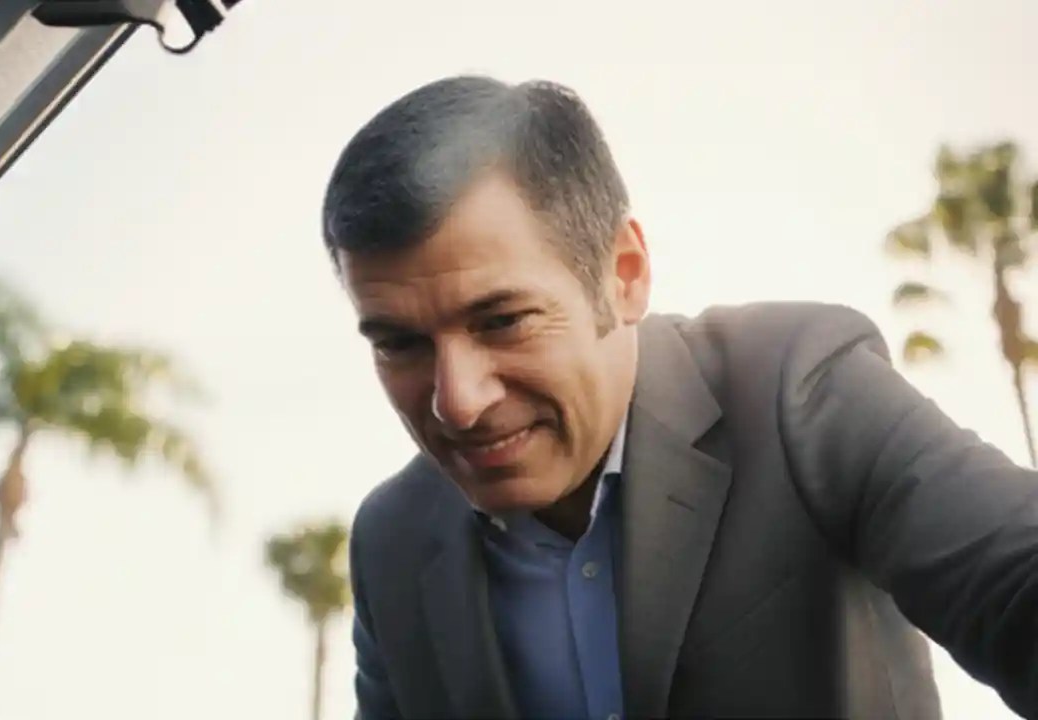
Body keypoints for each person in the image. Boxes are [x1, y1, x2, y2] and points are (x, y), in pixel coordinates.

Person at [320, 75, 1038, 720]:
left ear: (624, 274)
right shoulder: (393, 541)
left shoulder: (799, 389)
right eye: (399, 343)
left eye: (503, 321)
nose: (459, 402)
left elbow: (1016, 579)